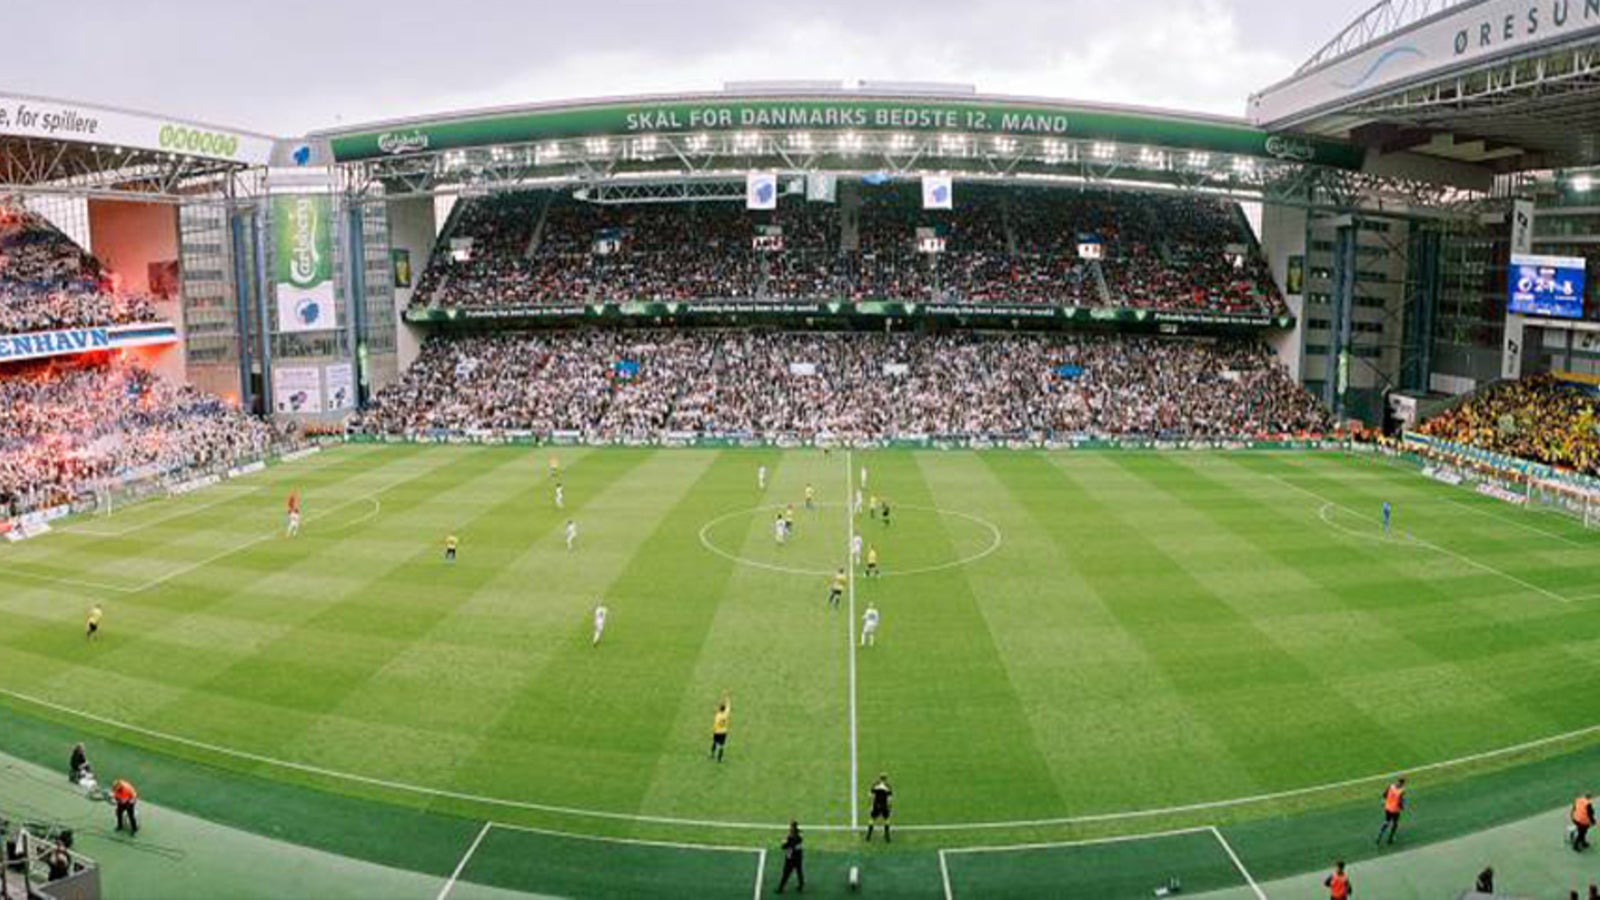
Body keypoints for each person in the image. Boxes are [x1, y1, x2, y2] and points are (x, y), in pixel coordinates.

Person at [1375, 777, 1406, 846]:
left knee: (1386, 821)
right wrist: (1402, 807)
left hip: (1388, 807)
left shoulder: (1391, 786)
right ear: (1402, 783)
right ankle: (1390, 838)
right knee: (1395, 823)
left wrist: (1383, 801)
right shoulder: (1401, 791)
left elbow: (1384, 795)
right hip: (1395, 809)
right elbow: (1400, 802)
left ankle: (1380, 835)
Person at [776, 820, 804, 893]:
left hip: (791, 858)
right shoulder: (799, 835)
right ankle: (801, 884)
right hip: (799, 856)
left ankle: (780, 888)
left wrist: (783, 845)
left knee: (786, 873)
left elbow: (788, 846)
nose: (789, 828)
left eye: (791, 826)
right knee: (799, 871)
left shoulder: (792, 837)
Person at [866, 774, 892, 841]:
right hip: (884, 805)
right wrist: (889, 807)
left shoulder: (875, 786)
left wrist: (871, 805)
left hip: (876, 805)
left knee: (872, 820)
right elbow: (889, 799)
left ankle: (868, 836)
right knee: (886, 820)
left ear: (880, 779)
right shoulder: (888, 787)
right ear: (885, 779)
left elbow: (871, 796)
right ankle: (887, 836)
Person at [710, 695, 731, 762]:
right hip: (724, 732)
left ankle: (712, 754)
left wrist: (714, 730)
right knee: (722, 746)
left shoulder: (718, 715)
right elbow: (728, 706)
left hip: (717, 732)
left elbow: (715, 724)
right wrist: (727, 699)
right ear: (724, 709)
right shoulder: (726, 714)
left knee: (715, 742)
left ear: (720, 709)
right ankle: (719, 758)